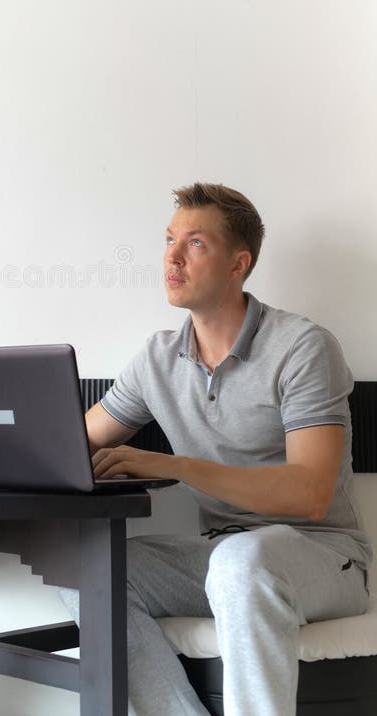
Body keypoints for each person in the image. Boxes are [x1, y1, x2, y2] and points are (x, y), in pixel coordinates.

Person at [60, 182, 372, 716]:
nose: (172, 257)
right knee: (85, 568)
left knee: (239, 560)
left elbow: (311, 493)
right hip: (222, 556)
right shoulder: (157, 359)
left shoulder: (302, 348)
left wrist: (174, 466)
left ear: (238, 263)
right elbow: (71, 440)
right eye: (168, 239)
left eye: (196, 243)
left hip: (324, 557)